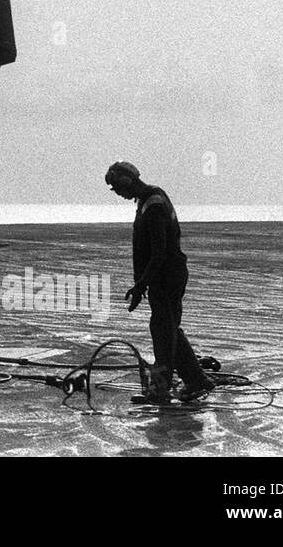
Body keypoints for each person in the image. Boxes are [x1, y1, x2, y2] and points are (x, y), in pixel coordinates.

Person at [106, 160, 214, 404]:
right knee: (168, 328)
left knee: (163, 332)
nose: (119, 194)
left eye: (118, 188)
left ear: (126, 182)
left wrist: (140, 285)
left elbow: (159, 253)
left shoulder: (153, 205)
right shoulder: (147, 200)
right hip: (164, 277)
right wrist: (141, 284)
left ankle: (160, 390)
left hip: (167, 278)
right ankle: (197, 380)